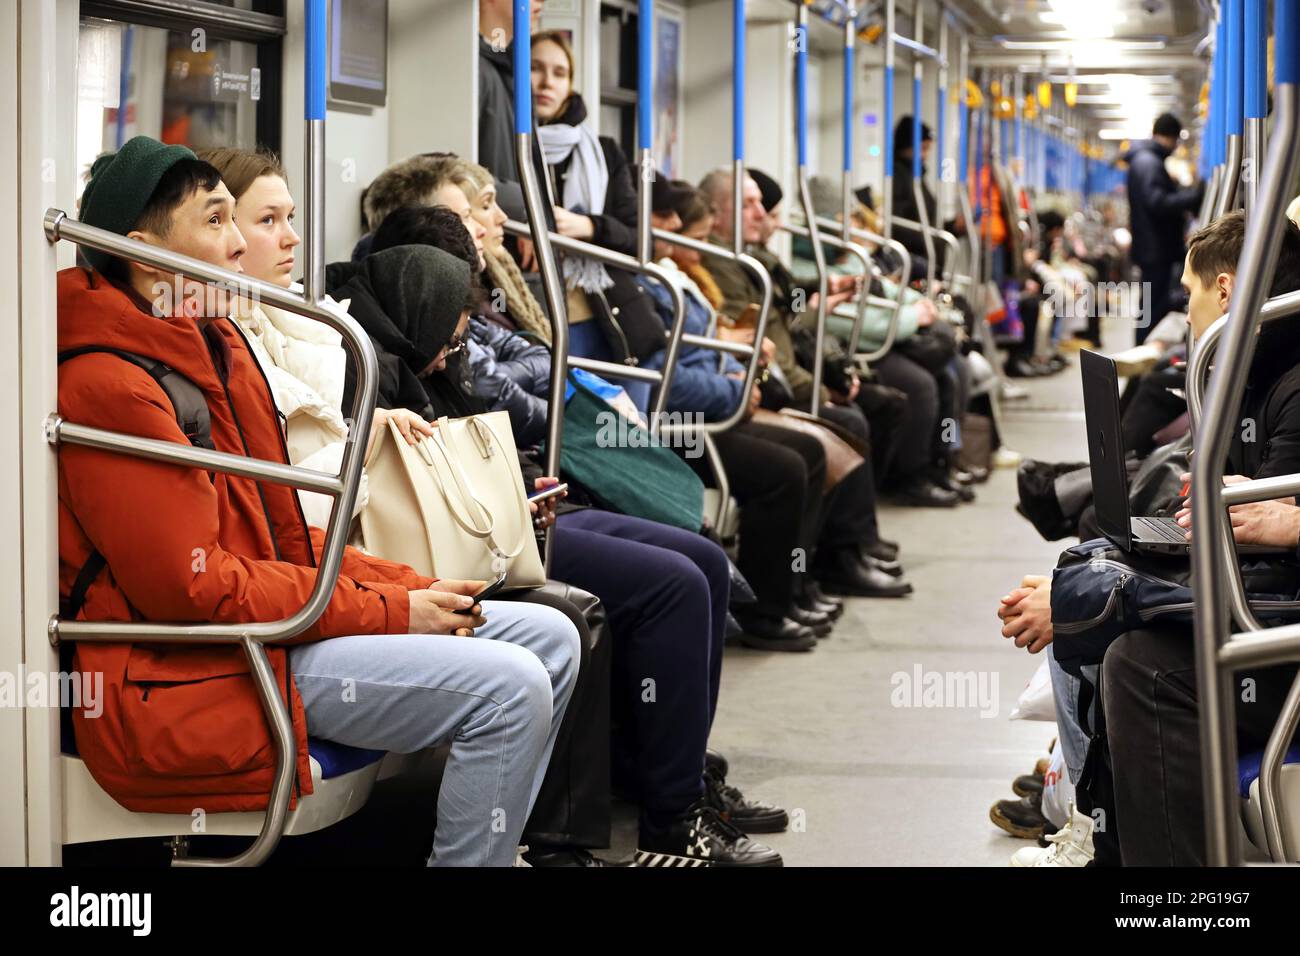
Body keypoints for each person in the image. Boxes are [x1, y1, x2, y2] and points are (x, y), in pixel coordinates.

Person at [59, 136, 579, 867]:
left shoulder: (214, 351)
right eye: (217, 221)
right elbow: (193, 586)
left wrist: (409, 587)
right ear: (148, 258)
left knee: (551, 639)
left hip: (269, 632)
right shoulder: (113, 387)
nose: (241, 244)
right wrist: (395, 610)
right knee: (510, 686)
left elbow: (286, 547)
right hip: (195, 666)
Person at [199, 146, 615, 867]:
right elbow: (262, 550)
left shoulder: (302, 339)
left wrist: (371, 448)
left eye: (289, 217)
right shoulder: (227, 360)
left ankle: (498, 848)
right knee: (520, 675)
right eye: (265, 220)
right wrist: (400, 600)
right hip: (277, 631)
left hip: (326, 583)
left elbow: (298, 525)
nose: (290, 238)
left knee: (555, 636)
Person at [334, 212, 788, 867]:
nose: (455, 353)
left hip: (504, 513)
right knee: (672, 585)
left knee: (705, 560)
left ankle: (679, 778)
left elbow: (511, 396)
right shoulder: (376, 357)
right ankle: (671, 816)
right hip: (462, 542)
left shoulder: (427, 335)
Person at [997, 210, 1300, 866]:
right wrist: (1096, 576)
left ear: (1225, 292)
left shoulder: (1288, 387)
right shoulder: (1258, 376)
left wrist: (1091, 599)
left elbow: (1257, 577)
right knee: (1093, 589)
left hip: (1278, 639)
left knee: (1138, 664)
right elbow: (1241, 543)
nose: (1186, 316)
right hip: (1266, 614)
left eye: (1188, 295)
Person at [1123, 113, 1205, 344]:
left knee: (1151, 309)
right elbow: (1156, 201)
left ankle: (1143, 361)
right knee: (1151, 312)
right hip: (1155, 251)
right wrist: (1193, 198)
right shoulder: (1148, 162)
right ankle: (1141, 366)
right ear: (1171, 137)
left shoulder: (1145, 161)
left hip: (1153, 249)